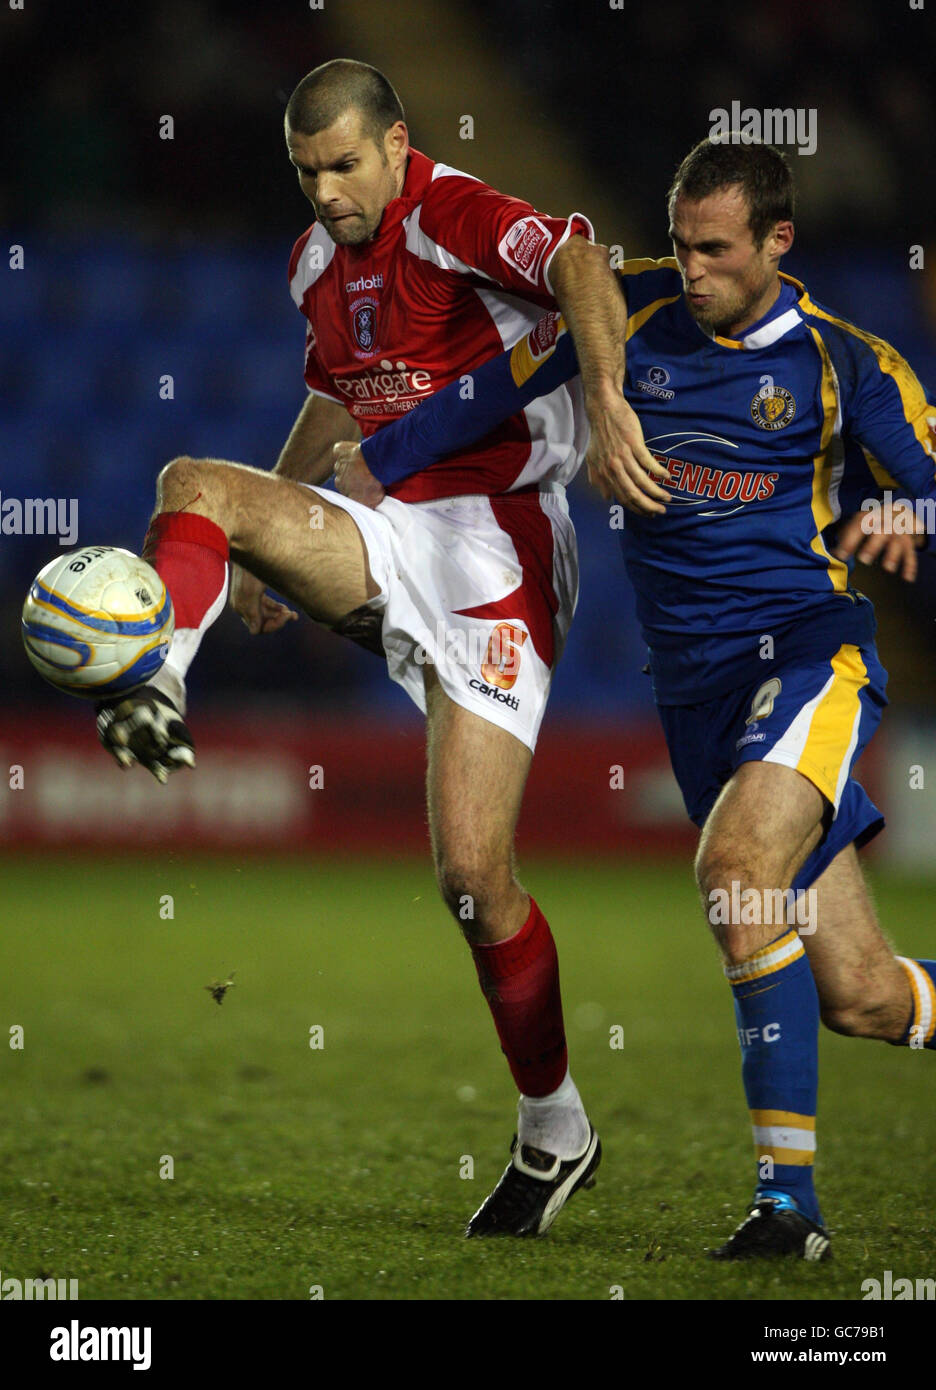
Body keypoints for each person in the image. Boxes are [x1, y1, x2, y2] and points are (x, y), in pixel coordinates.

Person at [332, 137, 936, 1260]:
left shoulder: (846, 364)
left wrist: (906, 518)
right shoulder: (630, 312)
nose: (691, 267)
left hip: (810, 659)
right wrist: (377, 464)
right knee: (860, 995)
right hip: (697, 695)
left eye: (715, 250)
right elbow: (490, 391)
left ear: (775, 244)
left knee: (736, 871)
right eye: (680, 242)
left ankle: (787, 1206)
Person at [94, 59, 668, 1238]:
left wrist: (607, 399)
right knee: (196, 482)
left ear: (398, 145)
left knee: (473, 878)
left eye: (346, 166)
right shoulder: (314, 264)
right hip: (385, 522)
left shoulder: (451, 210)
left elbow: (581, 266)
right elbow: (336, 399)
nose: (327, 194)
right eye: (307, 174)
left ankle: (555, 1127)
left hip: (497, 553)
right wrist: (266, 543)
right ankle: (153, 672)